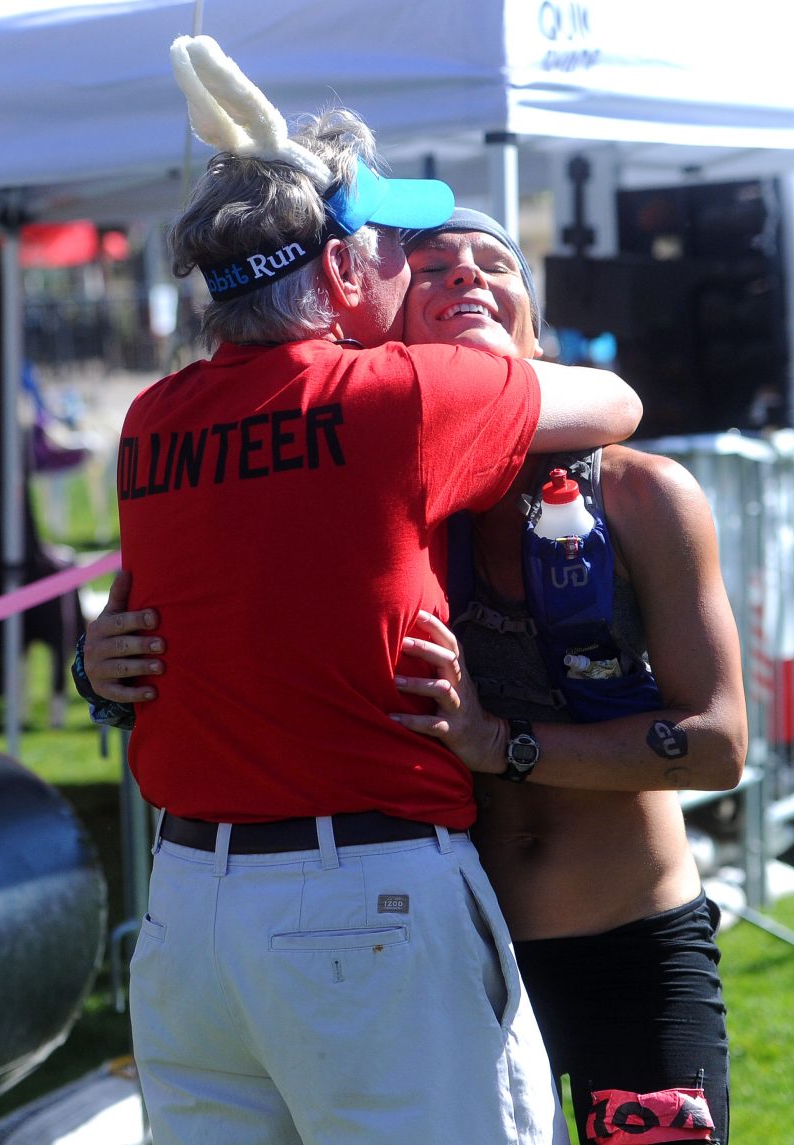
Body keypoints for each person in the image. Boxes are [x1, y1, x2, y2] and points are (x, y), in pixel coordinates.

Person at [80, 206, 745, 1145]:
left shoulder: (642, 495)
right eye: (431, 268)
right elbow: (195, 631)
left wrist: (501, 744)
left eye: (495, 264)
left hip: (627, 949)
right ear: (381, 325)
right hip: (444, 946)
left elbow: (719, 744)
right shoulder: (366, 475)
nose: (467, 276)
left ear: (535, 323)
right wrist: (98, 665)